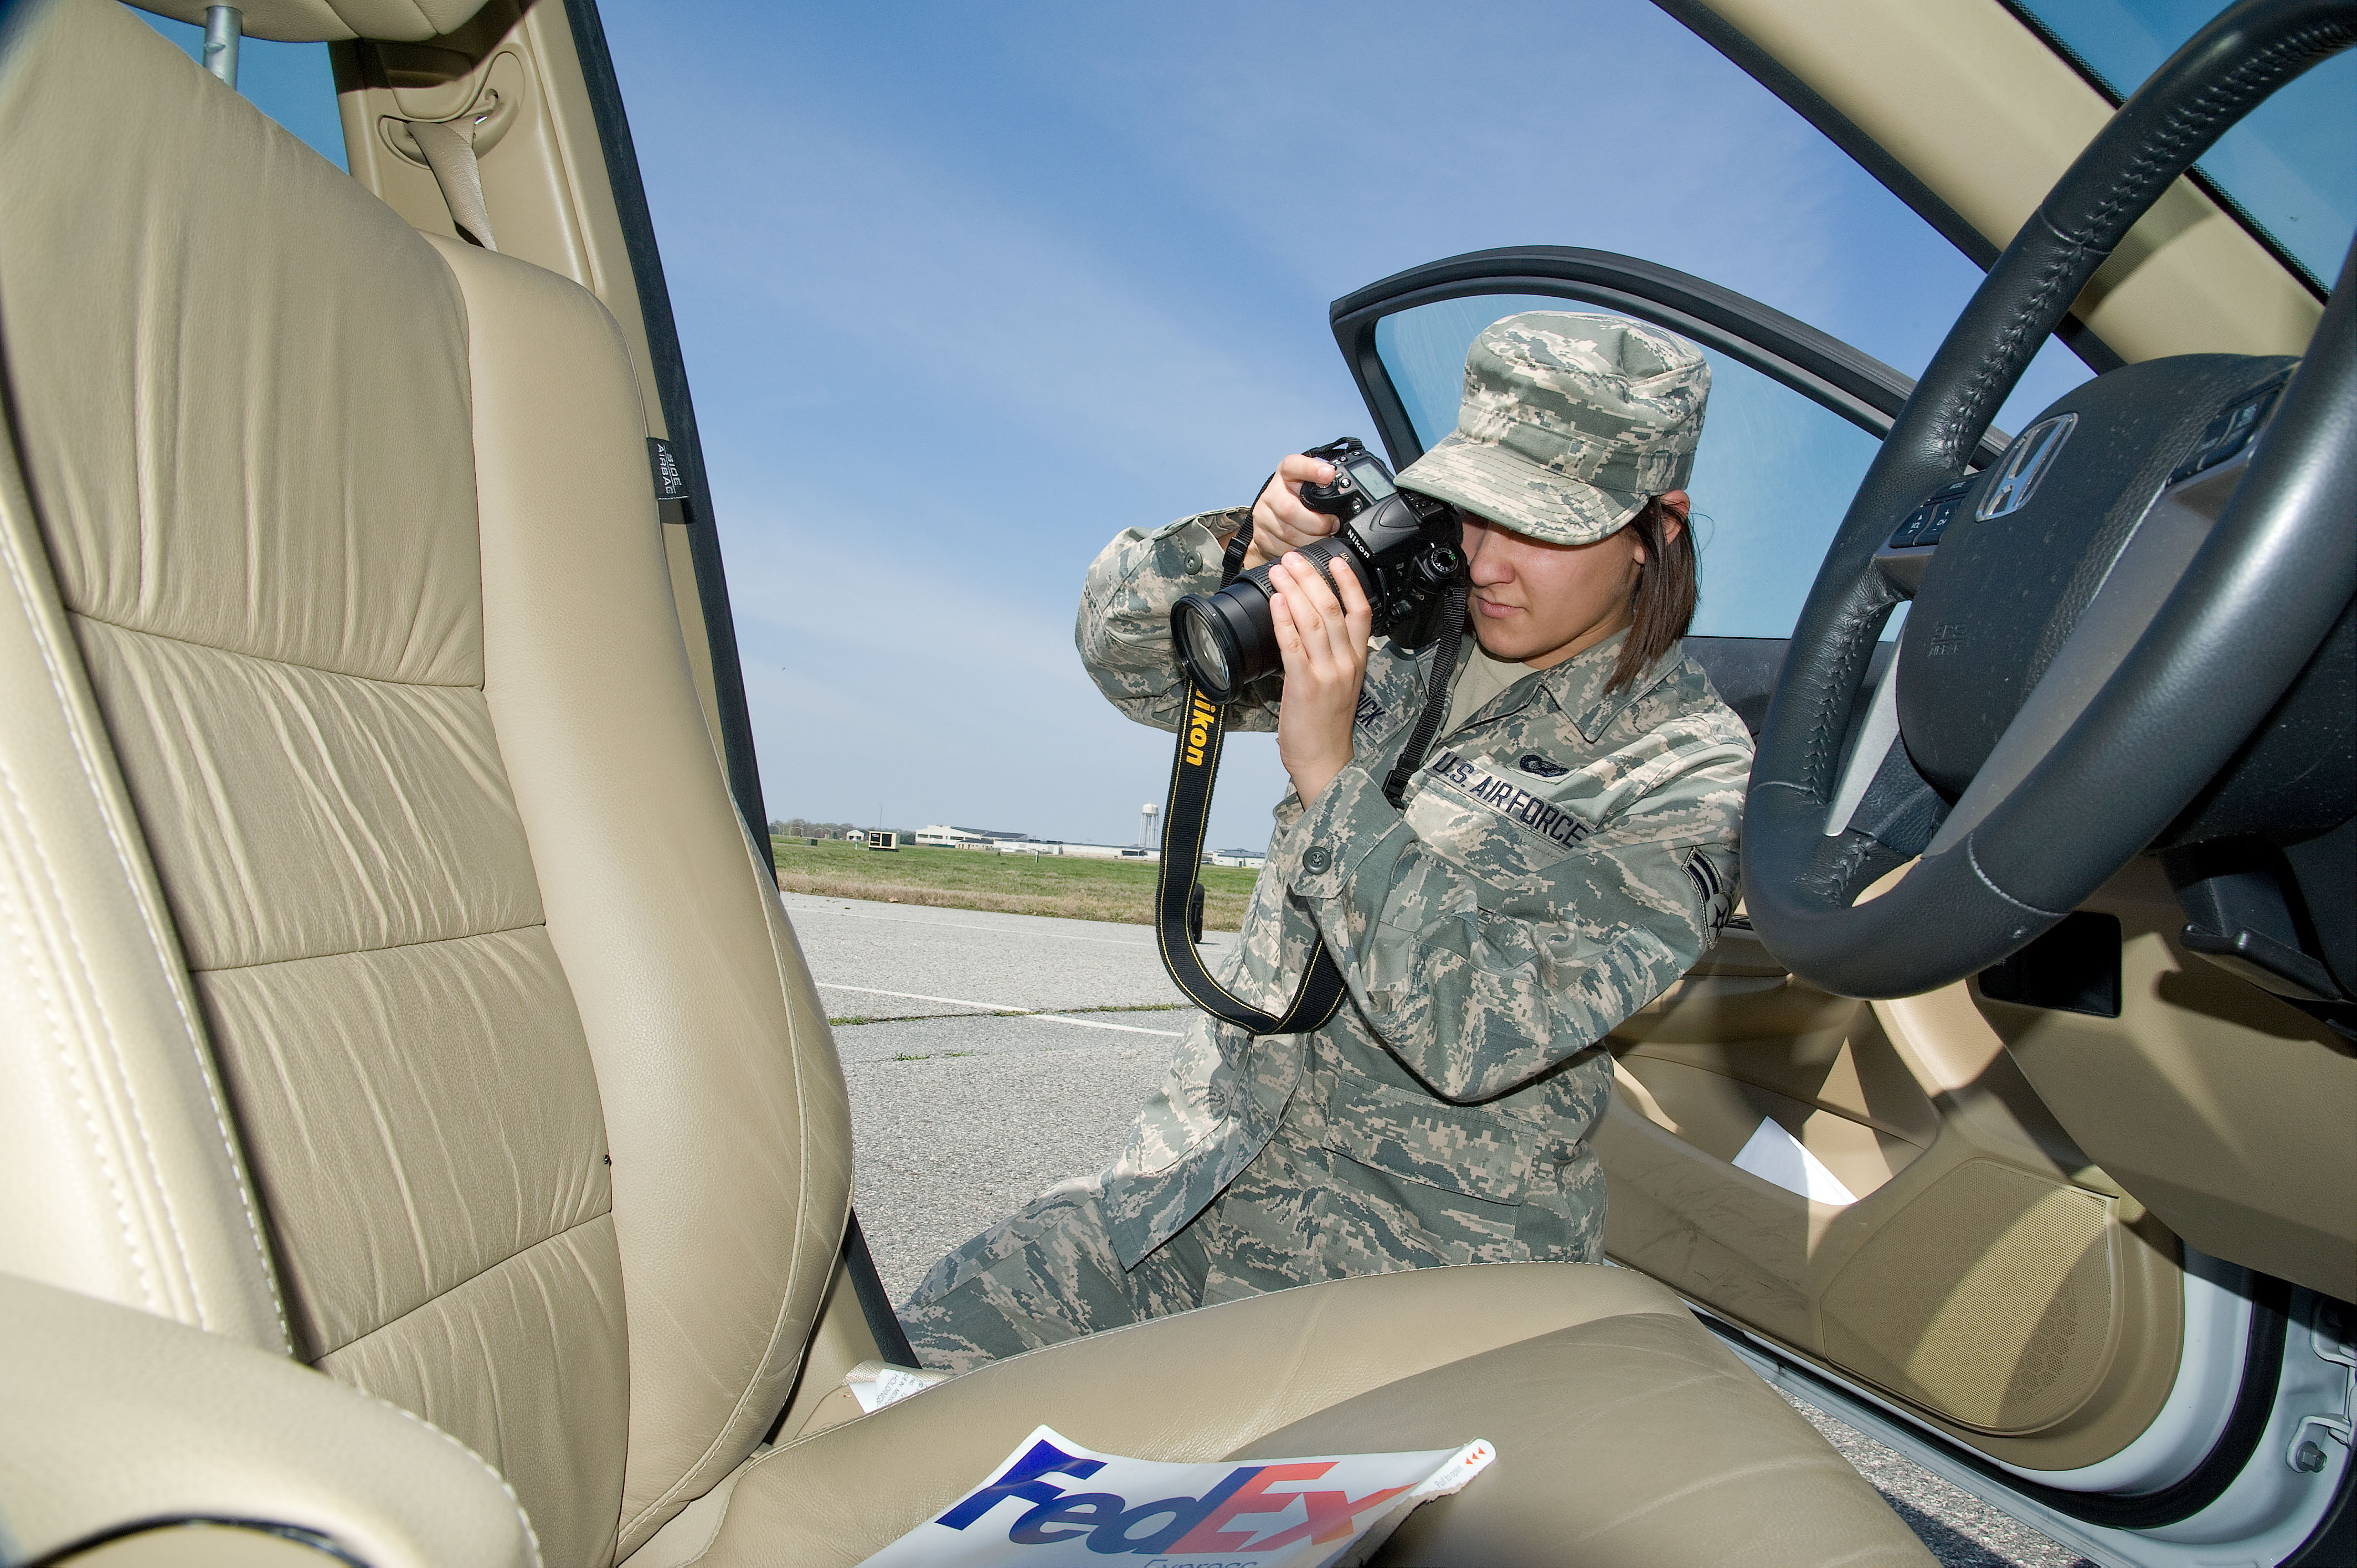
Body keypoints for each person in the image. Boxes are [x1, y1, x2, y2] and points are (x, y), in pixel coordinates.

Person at [900, 312, 1754, 1374]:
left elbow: (1480, 1030)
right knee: (910, 1372)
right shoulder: (1408, 631)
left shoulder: (1687, 768)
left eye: (1539, 525)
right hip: (1189, 1190)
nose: (1486, 559)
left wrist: (1332, 776)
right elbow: (1132, 670)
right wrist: (1242, 557)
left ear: (1656, 528)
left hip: (1406, 1280)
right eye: (1476, 512)